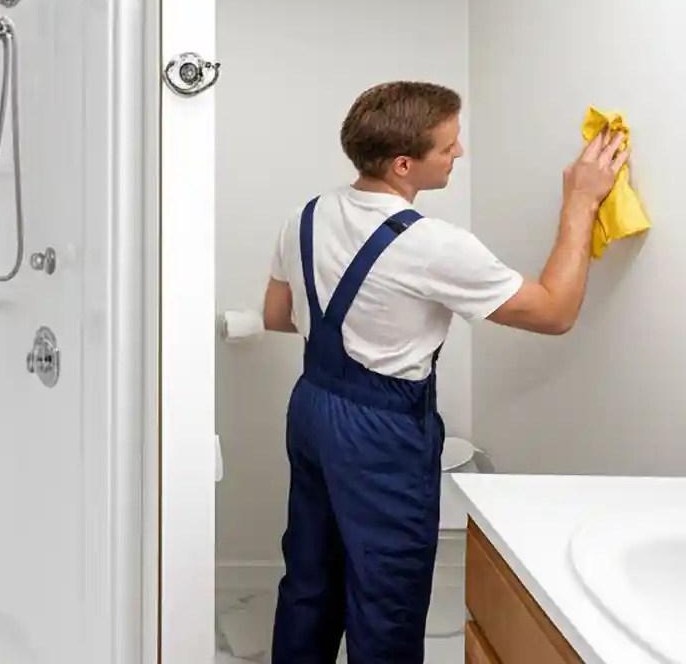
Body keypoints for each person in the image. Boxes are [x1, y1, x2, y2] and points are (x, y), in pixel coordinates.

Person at [262, 81, 628, 662]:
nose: (459, 153)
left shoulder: (305, 215)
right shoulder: (431, 245)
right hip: (380, 431)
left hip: (311, 407)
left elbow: (277, 316)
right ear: (405, 164)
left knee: (311, 576)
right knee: (387, 596)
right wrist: (580, 203)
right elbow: (555, 313)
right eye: (449, 146)